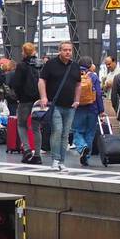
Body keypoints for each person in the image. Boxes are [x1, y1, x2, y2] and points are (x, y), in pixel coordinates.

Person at [36, 41, 81, 171]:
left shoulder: (75, 66)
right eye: (65, 50)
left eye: (70, 50)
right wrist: (44, 97)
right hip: (54, 104)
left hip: (70, 106)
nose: (68, 52)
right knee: (57, 131)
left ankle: (62, 161)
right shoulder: (50, 64)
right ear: (59, 51)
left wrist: (77, 100)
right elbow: (41, 80)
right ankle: (55, 159)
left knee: (65, 134)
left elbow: (78, 84)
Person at [8, 44, 42, 163]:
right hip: (38, 101)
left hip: (25, 100)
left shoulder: (21, 66)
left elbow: (16, 83)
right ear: (34, 51)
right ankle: (37, 155)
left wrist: (18, 96)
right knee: (36, 128)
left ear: (23, 52)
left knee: (21, 124)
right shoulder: (40, 65)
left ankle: (27, 149)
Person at [70, 56, 102, 165]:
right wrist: (101, 109)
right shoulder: (93, 76)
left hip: (78, 108)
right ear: (90, 65)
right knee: (90, 133)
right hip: (92, 108)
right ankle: (86, 156)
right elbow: (98, 94)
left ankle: (82, 147)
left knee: (77, 131)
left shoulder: (74, 75)